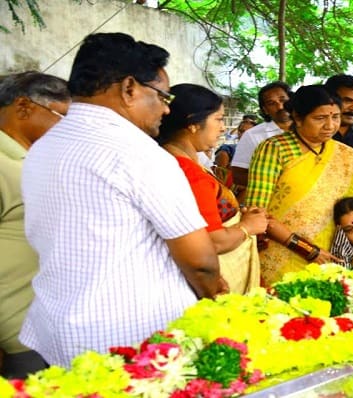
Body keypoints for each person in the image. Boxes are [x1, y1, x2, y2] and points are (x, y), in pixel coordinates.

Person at [20, 32, 226, 368]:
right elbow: (200, 260)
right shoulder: (138, 153)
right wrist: (213, 292)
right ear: (130, 88)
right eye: (162, 95)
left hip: (59, 327)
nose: (166, 108)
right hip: (132, 339)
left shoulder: (45, 145)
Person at [247, 85, 353, 284]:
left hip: (329, 255)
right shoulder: (274, 149)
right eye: (320, 118)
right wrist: (309, 251)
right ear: (297, 117)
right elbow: (256, 213)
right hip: (280, 253)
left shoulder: (343, 154)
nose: (330, 126)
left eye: (335, 117)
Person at [157, 84, 269, 294]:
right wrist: (247, 227)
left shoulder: (175, 159)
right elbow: (212, 241)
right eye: (218, 119)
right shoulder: (188, 171)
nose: (223, 128)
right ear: (192, 124)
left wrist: (237, 217)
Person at [0, 72, 70, 378]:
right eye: (61, 116)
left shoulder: (27, 161)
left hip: (47, 328)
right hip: (18, 338)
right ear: (24, 108)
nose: (67, 128)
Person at [230, 81, 292, 188]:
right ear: (265, 110)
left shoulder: (308, 129)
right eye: (272, 103)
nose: (280, 106)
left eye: (283, 100)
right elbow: (238, 176)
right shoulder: (252, 135)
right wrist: (278, 183)